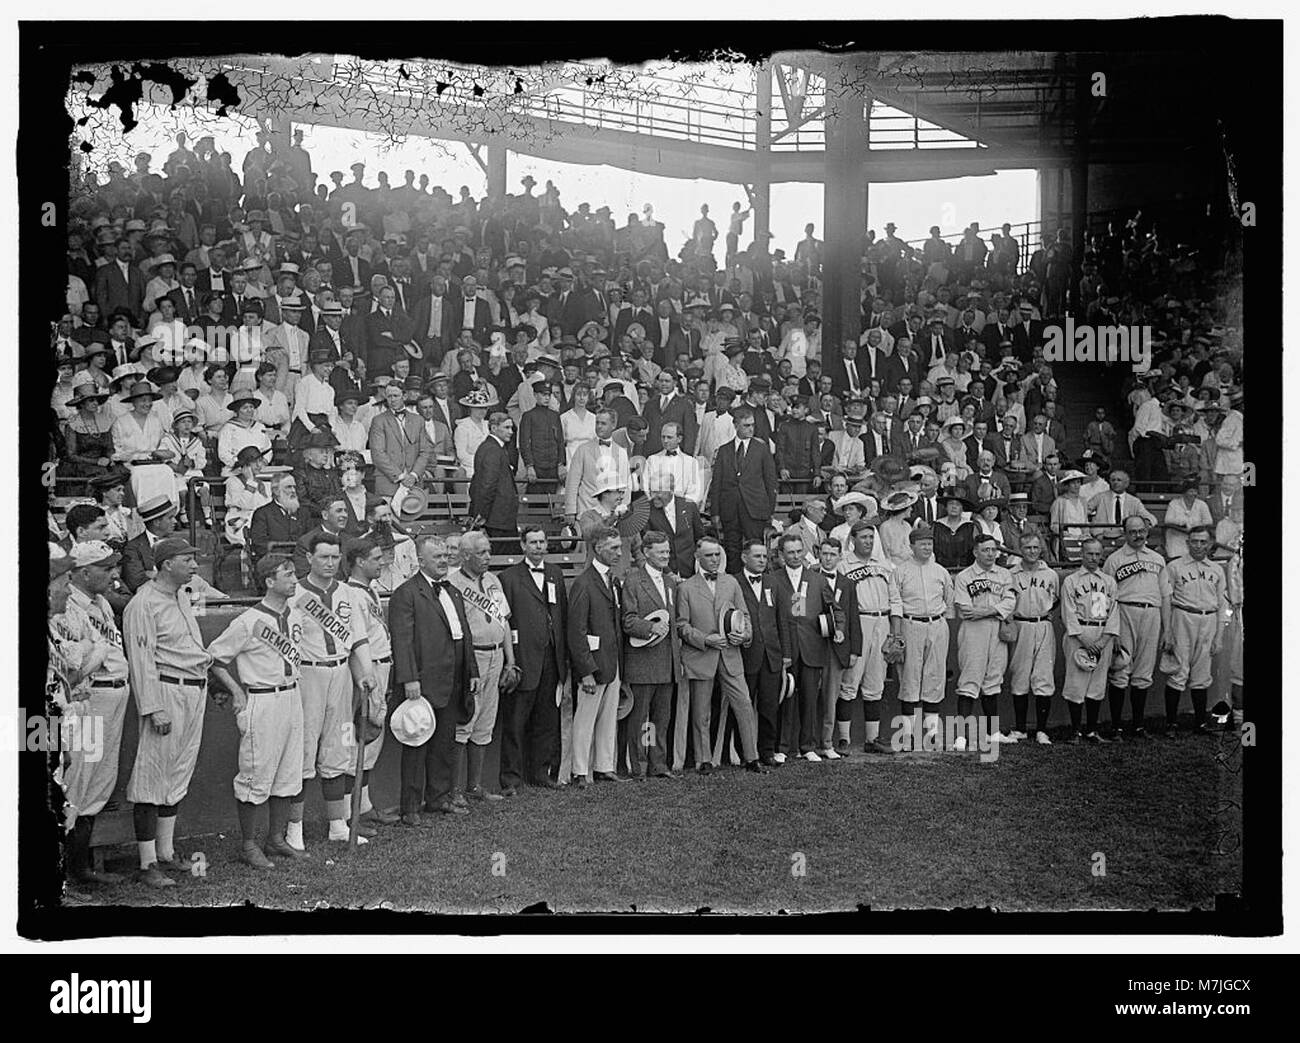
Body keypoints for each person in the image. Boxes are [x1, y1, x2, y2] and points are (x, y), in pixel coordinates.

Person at [122, 537, 215, 888]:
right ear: (165, 565)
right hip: (165, 689)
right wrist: (153, 707)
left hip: (193, 686)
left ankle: (165, 852)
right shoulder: (142, 604)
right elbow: (141, 661)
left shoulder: (180, 595)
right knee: (151, 777)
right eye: (186, 560)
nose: (194, 566)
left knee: (177, 772)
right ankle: (147, 864)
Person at [206, 554, 309, 868]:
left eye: (294, 574)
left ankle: (275, 839)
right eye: (287, 575)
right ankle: (248, 844)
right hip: (262, 699)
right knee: (256, 773)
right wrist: (236, 690)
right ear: (269, 581)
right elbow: (214, 657)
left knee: (289, 772)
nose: (293, 580)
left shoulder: (295, 615)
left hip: (292, 695)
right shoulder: (248, 620)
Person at [289, 531, 378, 846]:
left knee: (339, 748)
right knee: (303, 750)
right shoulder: (294, 592)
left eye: (334, 557)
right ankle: (294, 829)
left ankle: (337, 824)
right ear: (310, 558)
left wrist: (364, 673)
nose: (329, 563)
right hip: (307, 676)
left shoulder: (348, 593)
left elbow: (357, 639)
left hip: (340, 674)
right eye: (323, 557)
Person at [389, 534, 480, 822]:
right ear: (420, 560)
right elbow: (401, 641)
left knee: (444, 742)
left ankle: (438, 798)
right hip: (423, 680)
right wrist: (410, 678)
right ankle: (411, 807)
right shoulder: (406, 593)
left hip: (453, 676)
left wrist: (472, 670)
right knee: (417, 744)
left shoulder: (452, 590)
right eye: (437, 557)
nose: (444, 561)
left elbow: (464, 633)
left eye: (445, 555)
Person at [59, 540, 131, 887]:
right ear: (82, 572)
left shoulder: (100, 601)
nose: (113, 573)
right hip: (89, 698)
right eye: (105, 567)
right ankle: (71, 872)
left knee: (99, 783)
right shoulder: (66, 605)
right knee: (76, 784)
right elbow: (75, 663)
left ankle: (82, 867)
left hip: (113, 695)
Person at [676, 537, 766, 775]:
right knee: (701, 711)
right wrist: (705, 639)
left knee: (744, 705)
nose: (714, 560)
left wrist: (744, 635)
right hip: (702, 656)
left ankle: (751, 757)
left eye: (717, 555)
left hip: (730, 655)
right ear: (698, 558)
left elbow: (744, 615)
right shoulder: (686, 588)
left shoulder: (731, 583)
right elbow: (682, 626)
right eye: (709, 556)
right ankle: (703, 759)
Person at [447, 530, 515, 802]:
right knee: (464, 721)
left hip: (496, 654)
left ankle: (474, 786)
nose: (488, 557)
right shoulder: (452, 584)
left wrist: (511, 660)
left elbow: (504, 621)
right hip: (471, 657)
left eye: (489, 551)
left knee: (486, 721)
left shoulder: (493, 580)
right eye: (481, 553)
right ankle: (454, 789)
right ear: (465, 556)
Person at [498, 526, 568, 791]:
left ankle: (540, 772)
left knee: (546, 720)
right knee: (516, 722)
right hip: (524, 657)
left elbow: (561, 613)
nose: (538, 546)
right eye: (533, 542)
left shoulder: (555, 573)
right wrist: (511, 658)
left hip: (551, 657)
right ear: (522, 545)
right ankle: (511, 778)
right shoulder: (508, 577)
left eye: (542, 541)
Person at [770, 531, 842, 762]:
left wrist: (837, 628)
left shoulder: (818, 579)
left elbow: (835, 609)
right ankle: (782, 748)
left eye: (799, 551)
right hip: (785, 649)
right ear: (781, 555)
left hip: (812, 647)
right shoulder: (772, 579)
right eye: (790, 552)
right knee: (786, 697)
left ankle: (808, 746)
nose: (795, 556)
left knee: (810, 699)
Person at [566, 525, 626, 789]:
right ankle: (580, 770)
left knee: (608, 718)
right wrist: (586, 670)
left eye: (620, 547)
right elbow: (576, 631)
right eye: (613, 548)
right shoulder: (584, 582)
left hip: (611, 661)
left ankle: (604, 766)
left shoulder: (612, 579)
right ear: (597, 548)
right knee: (585, 719)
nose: (619, 552)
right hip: (593, 664)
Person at [344, 536, 399, 826]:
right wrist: (365, 675)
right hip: (367, 669)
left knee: (372, 740)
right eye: (376, 558)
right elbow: (356, 641)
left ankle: (363, 807)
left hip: (381, 665)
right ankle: (349, 813)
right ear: (359, 561)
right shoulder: (351, 593)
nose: (382, 562)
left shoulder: (369, 591)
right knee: (359, 740)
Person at [619, 529, 683, 779]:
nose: (666, 556)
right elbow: (628, 620)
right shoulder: (634, 580)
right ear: (646, 553)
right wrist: (650, 628)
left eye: (668, 551)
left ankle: (659, 764)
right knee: (640, 719)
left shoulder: (669, 582)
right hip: (643, 660)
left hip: (667, 662)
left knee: (661, 718)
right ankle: (639, 765)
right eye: (661, 552)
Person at [888, 524, 955, 748]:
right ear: (912, 546)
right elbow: (896, 603)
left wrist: (942, 622)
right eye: (922, 544)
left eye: (930, 543)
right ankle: (909, 736)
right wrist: (897, 634)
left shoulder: (940, 571)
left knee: (934, 678)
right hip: (911, 624)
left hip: (936, 623)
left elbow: (950, 601)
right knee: (910, 678)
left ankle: (932, 735)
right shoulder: (901, 570)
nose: (927, 547)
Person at [1159, 527, 1227, 736]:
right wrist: (1168, 630)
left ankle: (1200, 723)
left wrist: (1219, 636)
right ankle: (1171, 723)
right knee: (1178, 671)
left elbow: (1222, 604)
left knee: (1202, 672)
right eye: (1194, 541)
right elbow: (1166, 601)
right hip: (1182, 616)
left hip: (1208, 619)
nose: (1198, 545)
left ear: (1210, 544)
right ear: (1187, 543)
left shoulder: (1217, 569)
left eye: (1203, 542)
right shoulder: (1174, 566)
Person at [1103, 517, 1167, 739]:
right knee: (1120, 669)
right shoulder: (1114, 559)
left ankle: (1138, 726)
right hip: (1125, 611)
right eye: (1133, 532)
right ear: (1125, 534)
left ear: (1147, 531)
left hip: (1152, 613)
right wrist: (1113, 629)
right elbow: (1107, 598)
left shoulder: (1158, 559)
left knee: (1144, 671)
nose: (1138, 535)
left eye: (1141, 531)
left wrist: (1167, 629)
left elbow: (1165, 596)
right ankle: (1116, 727)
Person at [836, 522, 896, 755]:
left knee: (875, 683)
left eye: (871, 537)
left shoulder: (884, 565)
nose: (868, 541)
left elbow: (895, 599)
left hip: (882, 620)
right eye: (863, 537)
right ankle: (843, 739)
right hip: (857, 622)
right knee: (850, 682)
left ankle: (872, 739)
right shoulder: (843, 565)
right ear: (853, 540)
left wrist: (895, 630)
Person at [952, 534, 1017, 749]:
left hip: (997, 630)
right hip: (973, 631)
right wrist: (995, 611)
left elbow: (1010, 602)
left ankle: (993, 732)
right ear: (975, 552)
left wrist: (986, 611)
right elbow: (965, 609)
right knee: (970, 679)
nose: (991, 554)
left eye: (993, 550)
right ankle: (961, 736)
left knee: (993, 679)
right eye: (986, 550)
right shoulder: (964, 576)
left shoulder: (1005, 574)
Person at [1060, 538, 1121, 743]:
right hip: (1079, 634)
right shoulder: (1072, 580)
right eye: (1089, 554)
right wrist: (1085, 641)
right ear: (1082, 554)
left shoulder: (1108, 581)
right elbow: (1068, 613)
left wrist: (1103, 641)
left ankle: (1092, 730)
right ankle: (1075, 731)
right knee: (1076, 683)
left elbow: (1112, 612)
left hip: (1102, 633)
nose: (1094, 558)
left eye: (1097, 554)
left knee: (1097, 684)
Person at [1005, 532, 1059, 744]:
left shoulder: (1050, 573)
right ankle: (1020, 729)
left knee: (1043, 676)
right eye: (1028, 548)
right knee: (1020, 675)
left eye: (1036, 548)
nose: (1032, 552)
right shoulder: (1012, 573)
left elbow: (1055, 600)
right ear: (1020, 550)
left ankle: (1041, 730)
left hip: (1043, 624)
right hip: (1021, 624)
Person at [709, 409, 777, 574]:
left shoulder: (761, 449)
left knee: (755, 549)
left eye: (752, 425)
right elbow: (716, 483)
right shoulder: (724, 450)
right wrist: (715, 513)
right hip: (730, 508)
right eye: (746, 426)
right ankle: (734, 583)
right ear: (736, 425)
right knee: (732, 549)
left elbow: (770, 482)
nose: (750, 429)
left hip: (754, 508)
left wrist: (769, 511)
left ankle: (755, 584)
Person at [814, 539, 861, 759]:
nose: (828, 558)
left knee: (831, 697)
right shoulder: (809, 578)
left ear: (840, 556)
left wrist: (854, 650)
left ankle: (827, 743)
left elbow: (852, 617)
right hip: (812, 645)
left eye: (833, 554)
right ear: (818, 554)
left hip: (838, 648)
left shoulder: (847, 583)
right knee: (807, 694)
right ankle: (804, 744)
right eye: (824, 554)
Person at [369, 382, 434, 497]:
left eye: (396, 396)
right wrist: (400, 476)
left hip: (414, 484)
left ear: (404, 396)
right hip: (388, 483)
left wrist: (414, 475)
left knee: (414, 514)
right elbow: (377, 453)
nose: (392, 400)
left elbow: (425, 451)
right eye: (389, 396)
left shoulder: (418, 420)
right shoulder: (378, 421)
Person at [564, 408, 631, 520]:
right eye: (597, 423)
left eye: (603, 423)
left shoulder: (621, 452)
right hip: (587, 511)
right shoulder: (582, 450)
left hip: (612, 514)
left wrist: (623, 507)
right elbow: (572, 482)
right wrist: (570, 511)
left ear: (613, 425)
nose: (599, 426)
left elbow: (626, 484)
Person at [468, 411, 518, 542]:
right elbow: (487, 484)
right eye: (506, 427)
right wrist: (482, 513)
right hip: (497, 518)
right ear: (494, 428)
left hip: (498, 517)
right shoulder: (492, 450)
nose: (511, 432)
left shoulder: (492, 448)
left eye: (511, 428)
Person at [518, 381, 566, 493]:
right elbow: (524, 443)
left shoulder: (554, 416)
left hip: (553, 466)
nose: (547, 398)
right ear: (535, 395)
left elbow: (560, 441)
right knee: (535, 502)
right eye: (543, 395)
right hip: (536, 466)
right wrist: (529, 466)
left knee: (551, 502)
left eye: (549, 395)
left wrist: (560, 464)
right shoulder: (528, 416)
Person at [1161, 477, 1214, 561]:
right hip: (1177, 536)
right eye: (1191, 491)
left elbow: (1208, 521)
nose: (1194, 494)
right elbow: (1168, 520)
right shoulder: (1174, 504)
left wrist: (1194, 526)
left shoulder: (1202, 504)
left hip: (1196, 537)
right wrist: (1183, 522)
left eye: (1195, 491)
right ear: (1184, 493)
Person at [933, 492, 976, 569]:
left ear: (962, 508)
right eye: (951, 504)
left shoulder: (971, 526)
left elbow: (977, 549)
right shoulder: (936, 526)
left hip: (966, 569)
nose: (954, 507)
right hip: (941, 569)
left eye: (958, 504)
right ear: (946, 507)